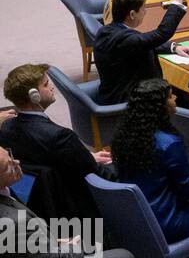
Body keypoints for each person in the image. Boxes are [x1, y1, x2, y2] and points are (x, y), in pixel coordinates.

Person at [0, 147, 135, 258]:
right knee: (124, 257)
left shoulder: (5, 197)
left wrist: (55, 241)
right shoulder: (11, 220)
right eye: (7, 166)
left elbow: (25, 247)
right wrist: (75, 247)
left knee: (92, 241)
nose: (17, 163)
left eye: (10, 155)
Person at [0, 64, 113, 221]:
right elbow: (99, 174)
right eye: (46, 84)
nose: (52, 87)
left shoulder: (6, 127)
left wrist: (84, 156)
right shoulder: (61, 137)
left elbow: (48, 159)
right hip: (77, 211)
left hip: (41, 206)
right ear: (34, 96)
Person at [111, 80, 189, 246]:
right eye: (170, 96)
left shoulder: (124, 137)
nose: (175, 98)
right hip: (167, 222)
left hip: (138, 217)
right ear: (160, 106)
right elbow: (188, 191)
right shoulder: (169, 143)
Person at [93, 0, 189, 105]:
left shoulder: (106, 31)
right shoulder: (127, 39)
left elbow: (141, 44)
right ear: (132, 14)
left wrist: (174, 47)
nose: (146, 12)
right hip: (128, 102)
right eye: (143, 9)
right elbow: (161, 33)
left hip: (116, 89)